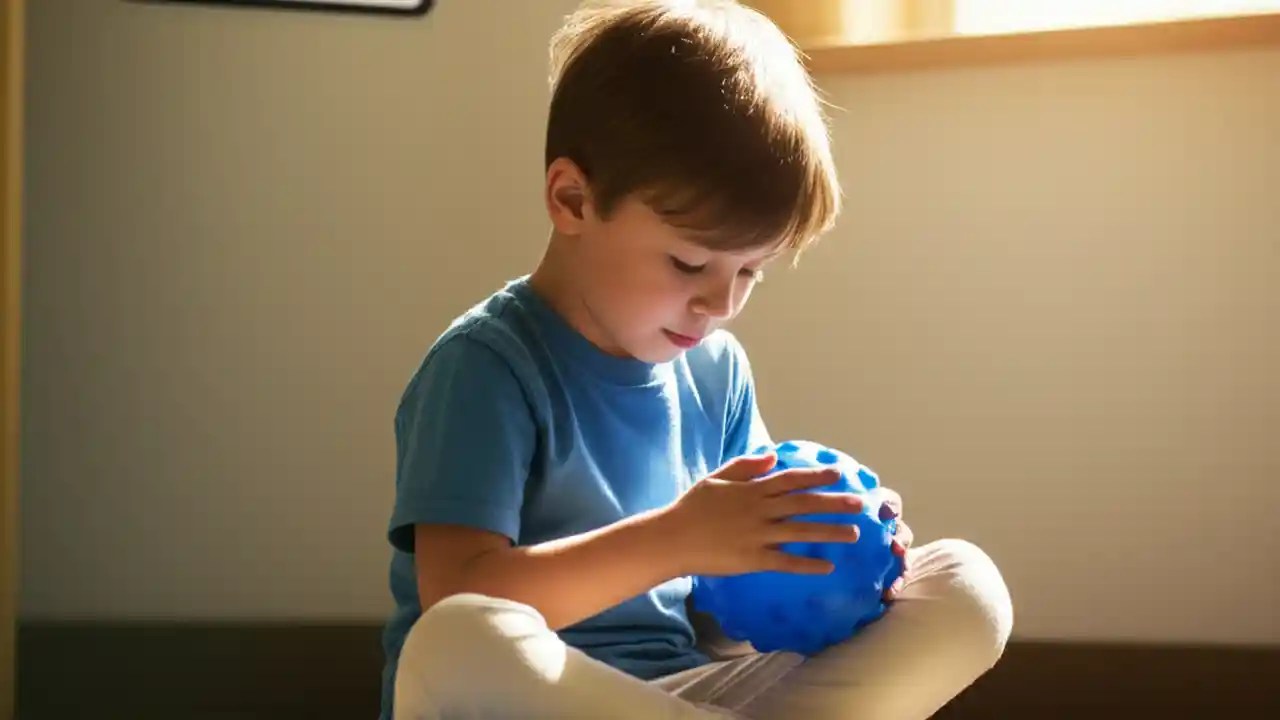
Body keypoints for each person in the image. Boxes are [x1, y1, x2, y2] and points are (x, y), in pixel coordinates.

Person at [378, 1, 1013, 718]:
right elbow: (459, 593)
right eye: (690, 263)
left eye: (750, 273)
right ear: (572, 199)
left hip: (675, 694)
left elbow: (726, 624)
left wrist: (832, 564)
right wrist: (674, 540)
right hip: (518, 698)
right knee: (459, 636)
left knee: (965, 586)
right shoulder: (486, 366)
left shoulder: (717, 372)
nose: (722, 305)